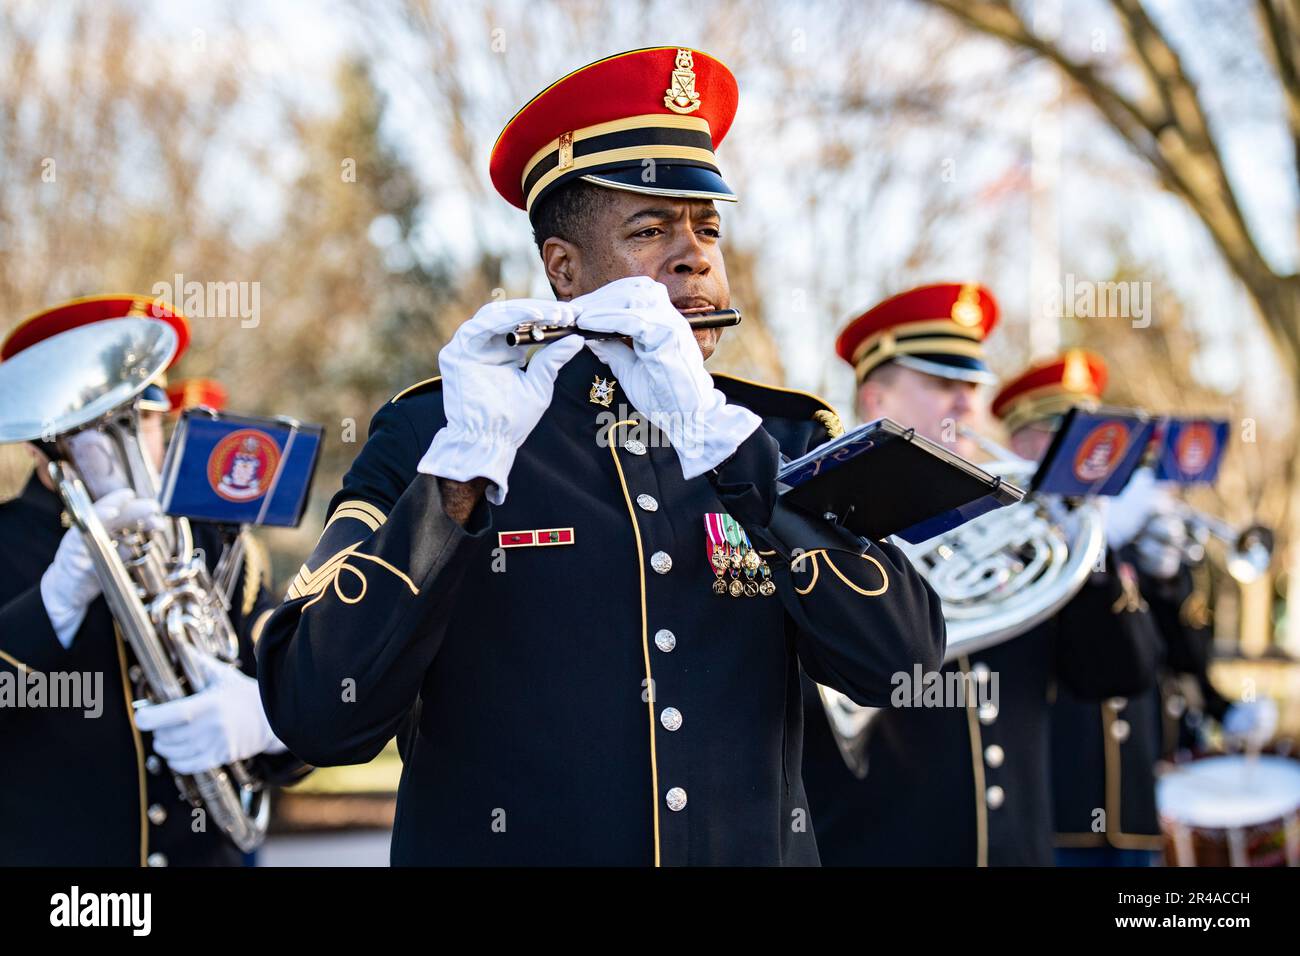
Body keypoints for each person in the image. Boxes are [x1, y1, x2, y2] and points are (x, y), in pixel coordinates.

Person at [256, 46, 946, 866]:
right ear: (564, 270)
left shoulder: (779, 439)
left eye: (707, 229)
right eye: (650, 230)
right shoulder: (435, 434)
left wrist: (738, 462)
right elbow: (315, 712)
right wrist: (455, 481)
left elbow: (902, 663)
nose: (694, 255)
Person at [800, 291, 1161, 866]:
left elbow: (1117, 674)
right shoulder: (815, 516)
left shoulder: (1015, 525)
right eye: (945, 385)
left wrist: (1087, 547)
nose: (969, 406)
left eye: (971, 387)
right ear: (876, 396)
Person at [0, 295, 306, 866]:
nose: (135, 440)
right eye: (99, 422)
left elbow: (295, 691)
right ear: (44, 437)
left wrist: (268, 721)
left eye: (145, 416)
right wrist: (50, 605)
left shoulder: (212, 540)